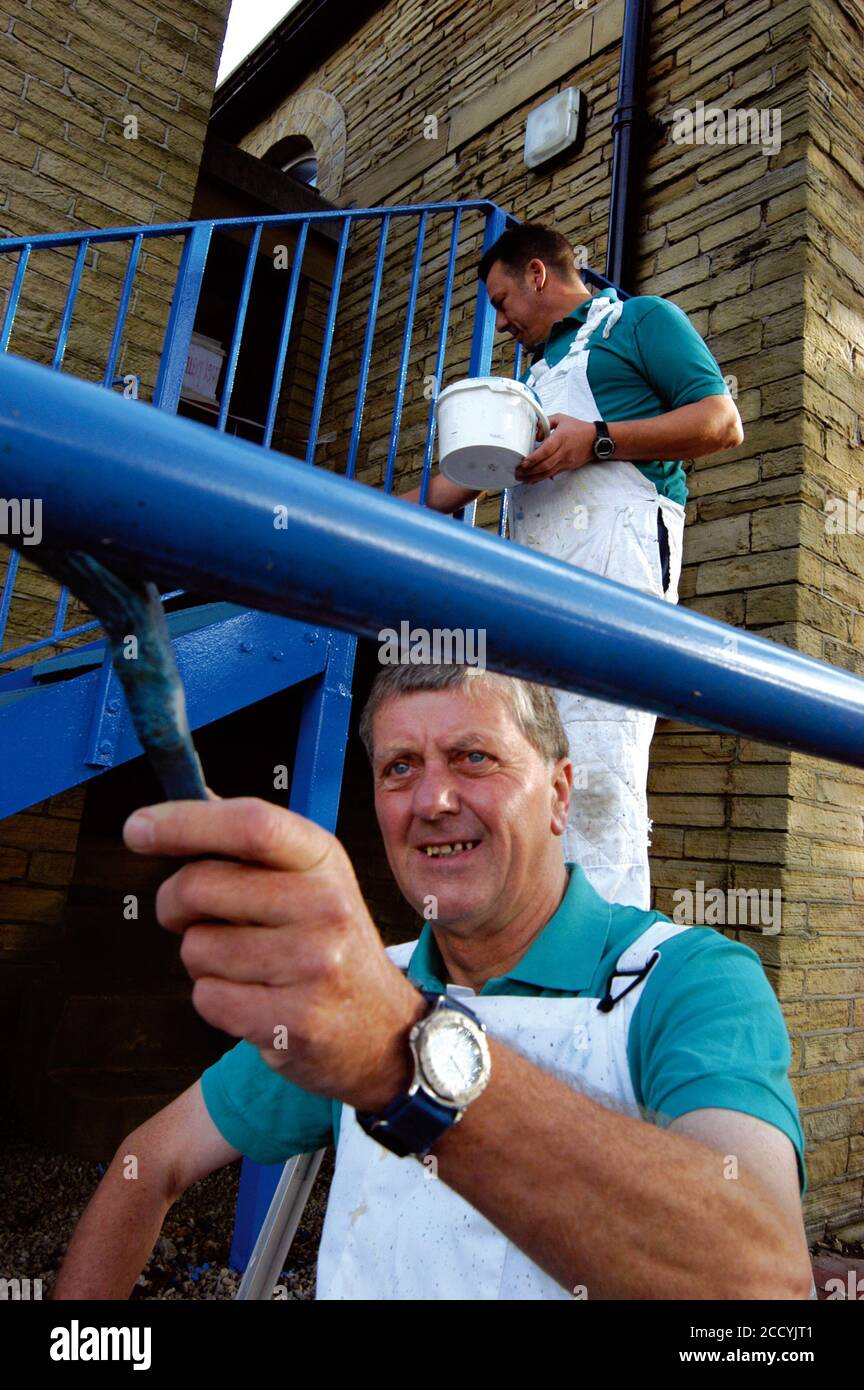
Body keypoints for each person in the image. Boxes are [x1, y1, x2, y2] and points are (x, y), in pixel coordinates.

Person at [52, 664, 811, 1302]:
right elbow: (148, 1163)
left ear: (558, 794)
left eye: (474, 757)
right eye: (400, 767)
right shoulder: (362, 988)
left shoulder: (684, 979)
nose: (432, 800)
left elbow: (762, 1285)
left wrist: (397, 1056)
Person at [404, 225, 744, 911]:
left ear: (537, 274)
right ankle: (535, 950)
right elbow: (449, 489)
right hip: (533, 598)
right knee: (525, 777)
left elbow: (720, 421)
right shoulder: (525, 387)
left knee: (598, 776)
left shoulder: (639, 322)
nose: (500, 322)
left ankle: (602, 980)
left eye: (502, 301)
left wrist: (599, 441)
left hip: (616, 579)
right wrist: (349, 518)